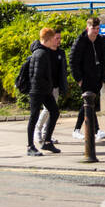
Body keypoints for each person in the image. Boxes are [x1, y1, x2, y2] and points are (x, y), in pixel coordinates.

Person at [69, 16, 105, 141]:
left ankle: (96, 130)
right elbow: (73, 61)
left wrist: (104, 77)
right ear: (88, 27)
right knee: (88, 103)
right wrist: (78, 79)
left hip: (97, 77)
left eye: (98, 28)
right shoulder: (80, 41)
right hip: (85, 77)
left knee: (90, 104)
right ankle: (78, 130)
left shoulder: (101, 40)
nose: (96, 31)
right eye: (93, 28)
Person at [26, 26, 62, 157]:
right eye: (54, 38)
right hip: (37, 91)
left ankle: (47, 141)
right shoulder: (40, 54)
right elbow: (36, 76)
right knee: (33, 117)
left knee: (55, 112)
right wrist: (47, 86)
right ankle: (30, 146)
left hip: (45, 90)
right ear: (48, 39)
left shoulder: (45, 51)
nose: (56, 41)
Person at [34, 28, 67, 150]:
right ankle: (38, 131)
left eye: (60, 38)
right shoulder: (45, 52)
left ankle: (46, 134)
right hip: (46, 87)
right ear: (51, 39)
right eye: (56, 38)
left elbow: (62, 71)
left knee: (52, 111)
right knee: (48, 110)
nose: (59, 41)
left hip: (56, 86)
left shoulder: (60, 52)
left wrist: (63, 85)